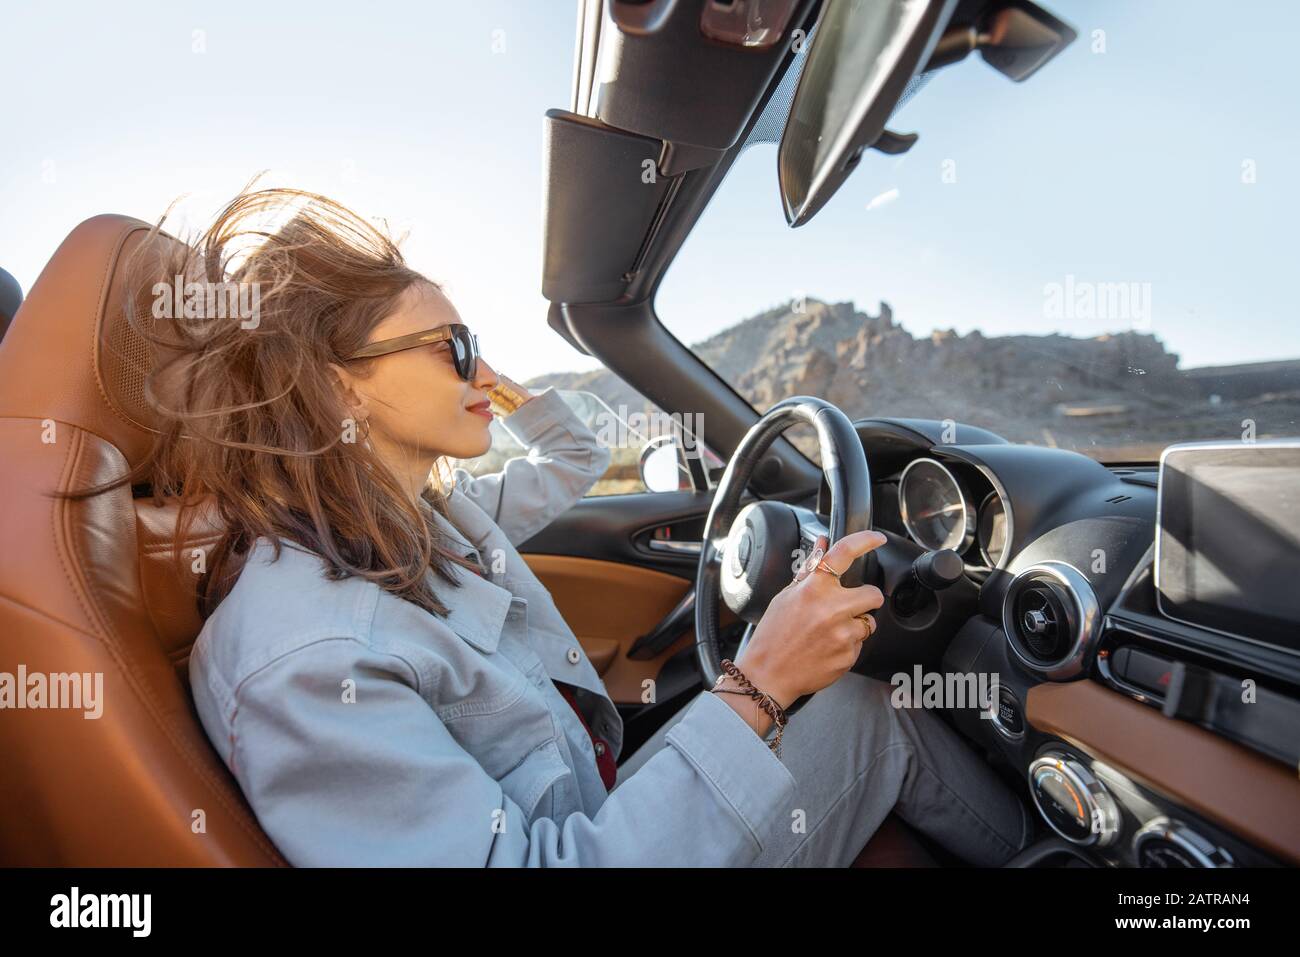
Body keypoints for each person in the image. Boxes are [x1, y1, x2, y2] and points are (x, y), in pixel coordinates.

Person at [128, 187, 1029, 866]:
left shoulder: (423, 524)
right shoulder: (308, 654)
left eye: (474, 342)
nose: (476, 368)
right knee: (879, 706)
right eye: (450, 346)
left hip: (596, 814)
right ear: (334, 384)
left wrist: (476, 375)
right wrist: (758, 683)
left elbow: (568, 455)